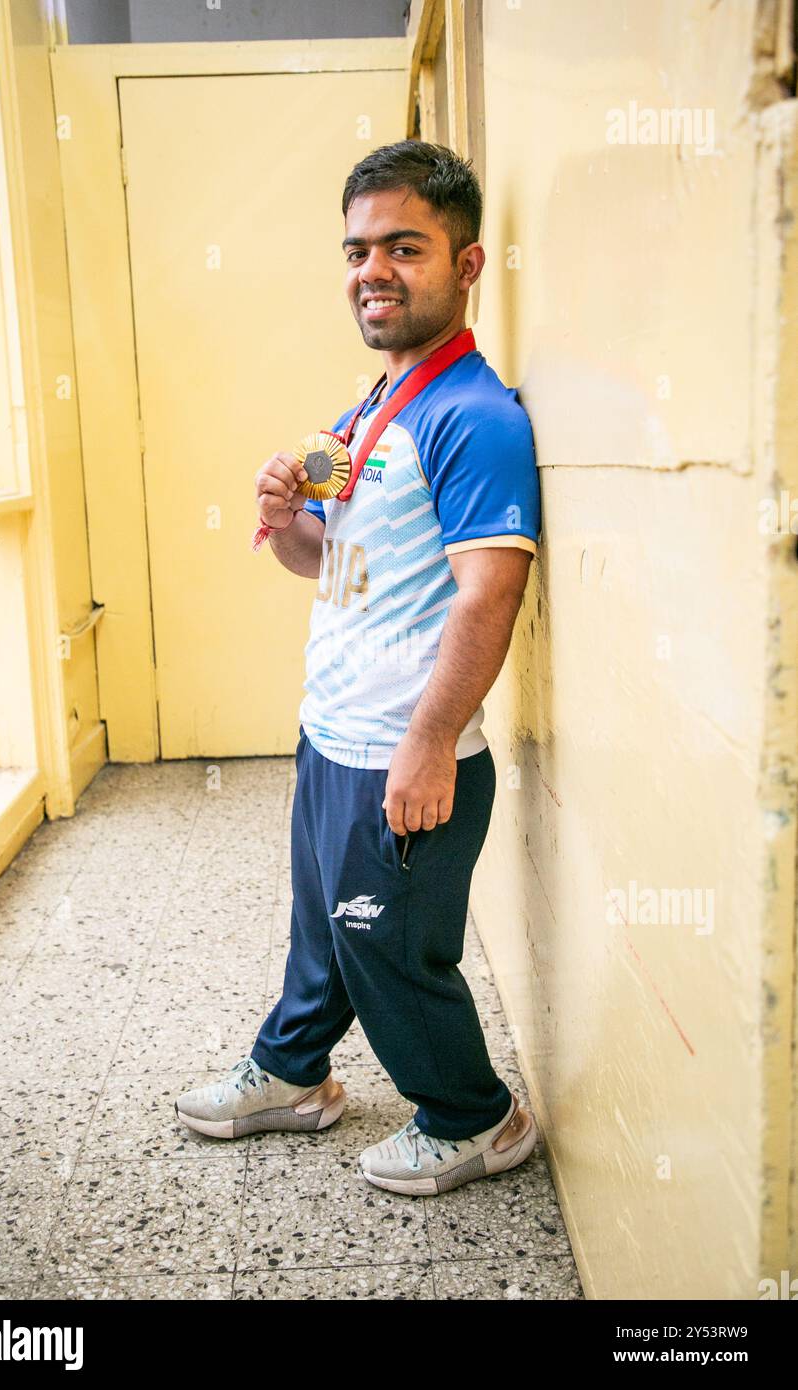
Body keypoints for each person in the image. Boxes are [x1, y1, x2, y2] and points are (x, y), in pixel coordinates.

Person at [176, 139, 542, 1198]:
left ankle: (476, 1116)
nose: (371, 270)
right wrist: (285, 520)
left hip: (405, 750)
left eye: (402, 247)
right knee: (321, 927)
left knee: (383, 944)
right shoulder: (366, 410)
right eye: (355, 250)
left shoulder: (472, 418)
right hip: (332, 732)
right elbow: (327, 560)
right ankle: (294, 1073)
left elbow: (489, 594)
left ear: (465, 265)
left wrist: (427, 743)